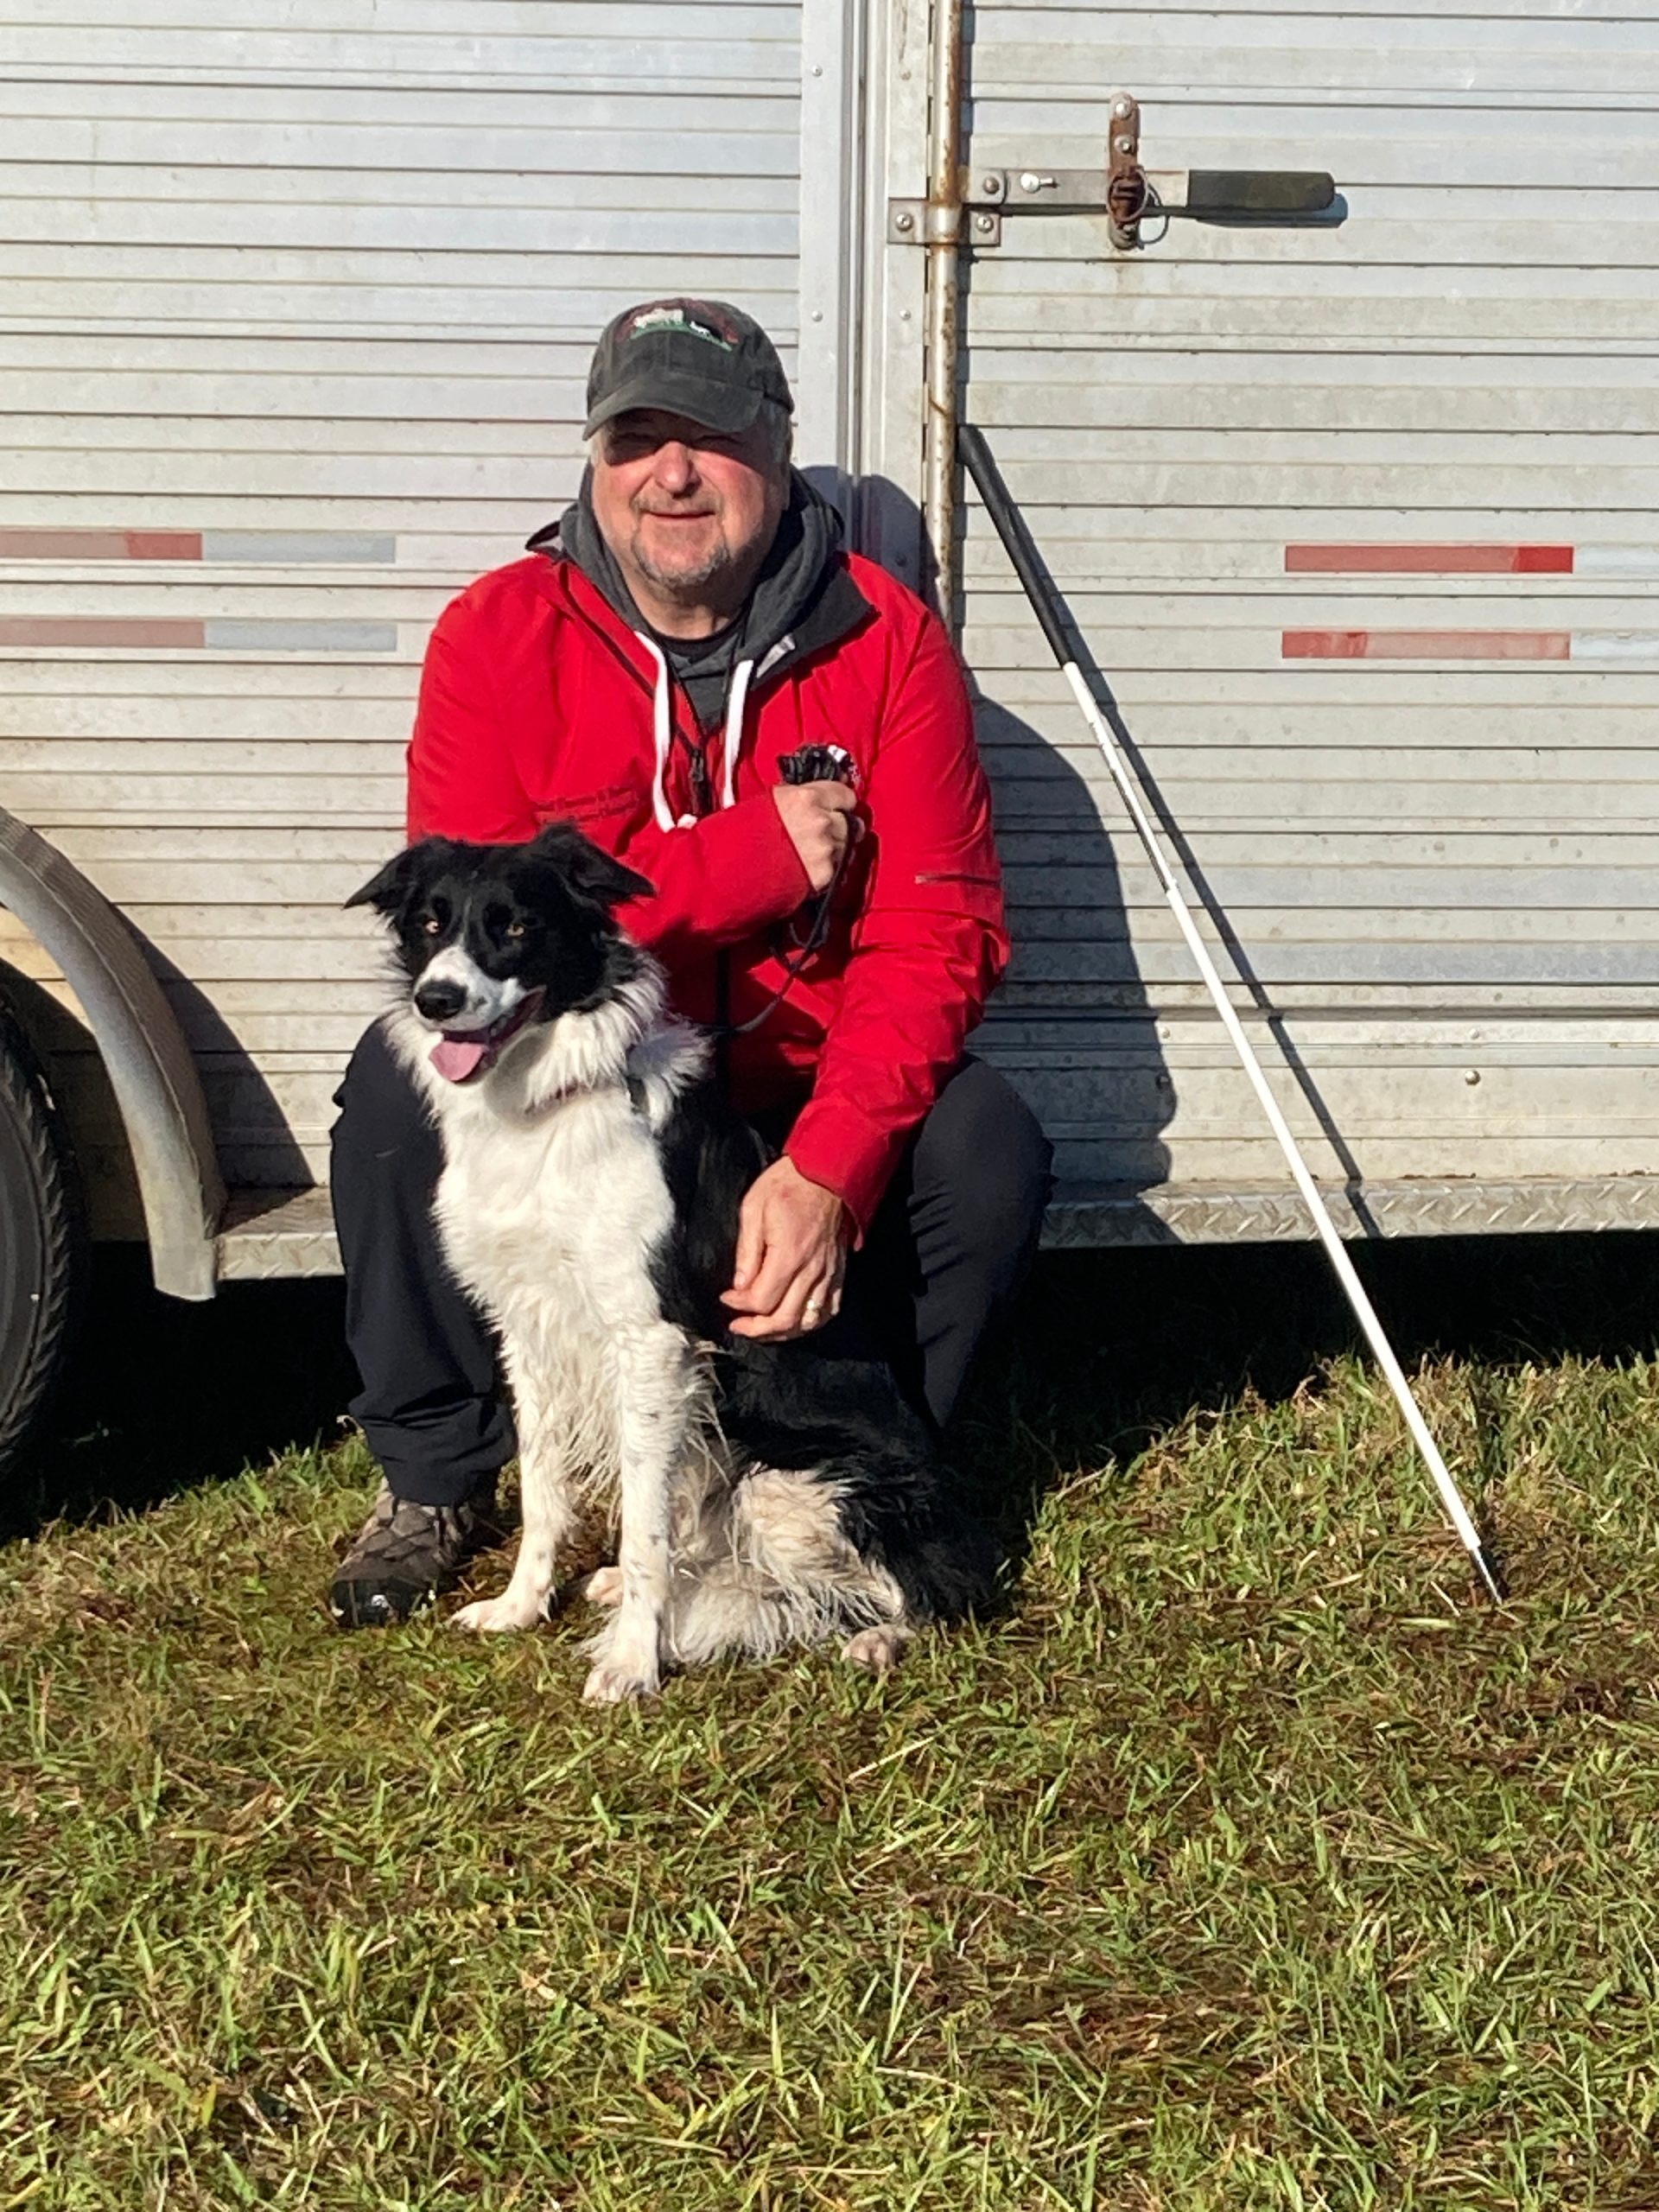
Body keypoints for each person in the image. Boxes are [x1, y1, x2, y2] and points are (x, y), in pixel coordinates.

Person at [327, 297, 1052, 1626]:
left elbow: (943, 931)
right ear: (595, 464)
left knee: (984, 1145)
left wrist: (832, 1169)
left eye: (709, 437)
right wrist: (752, 860)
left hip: (791, 1071)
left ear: (775, 457)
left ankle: (848, 1470)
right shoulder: (492, 636)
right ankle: (432, 1475)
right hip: (602, 1079)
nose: (672, 473)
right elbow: (499, 920)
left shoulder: (887, 640)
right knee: (389, 1108)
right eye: (635, 438)